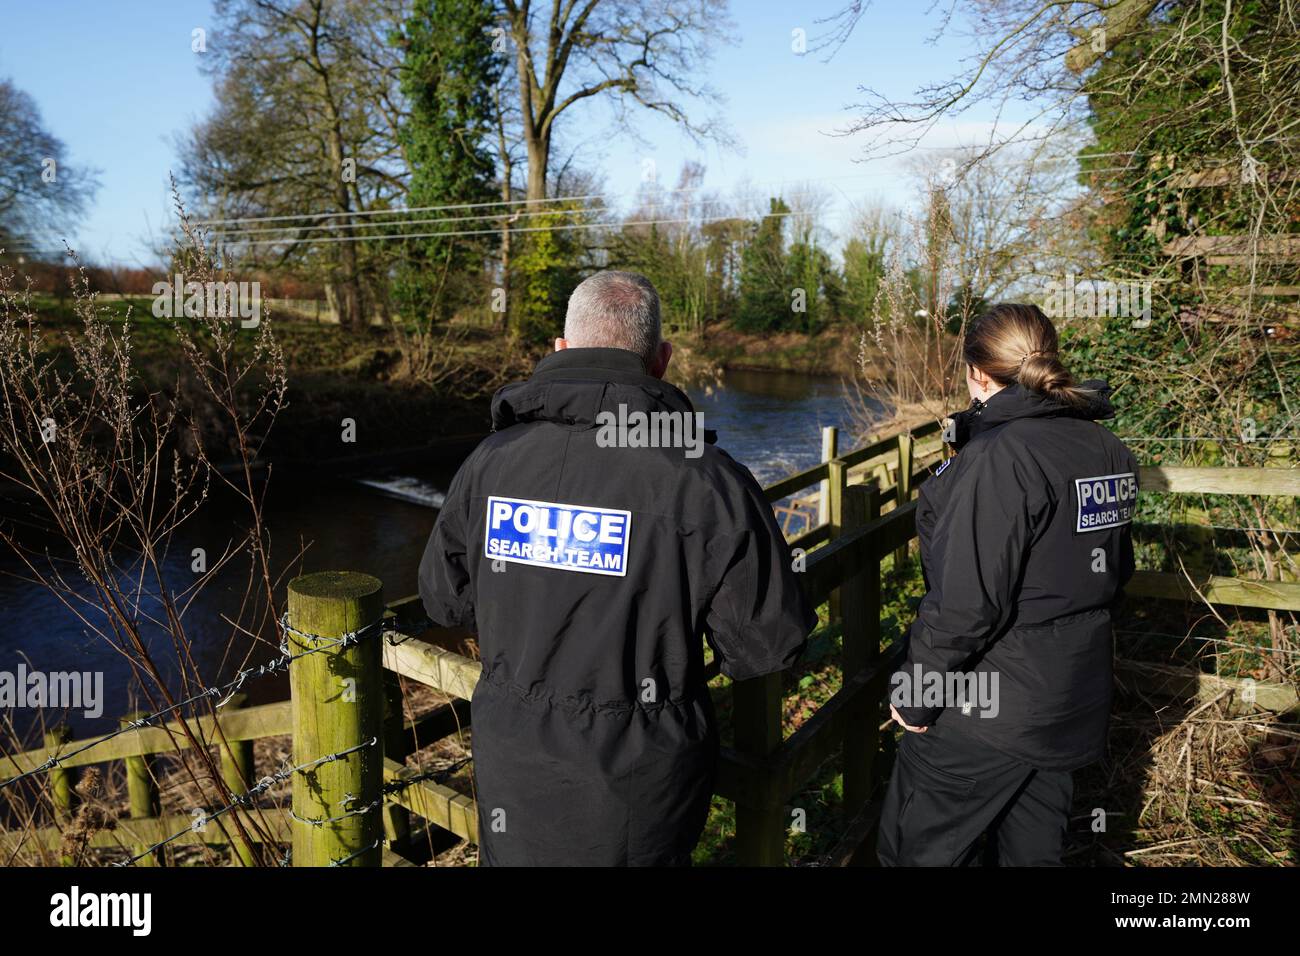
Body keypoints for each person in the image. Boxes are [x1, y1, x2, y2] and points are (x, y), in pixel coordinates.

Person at [419, 270, 815, 866]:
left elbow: (444, 599)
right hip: (642, 779)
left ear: (560, 348)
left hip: (512, 760)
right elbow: (765, 642)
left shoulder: (490, 462)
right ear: (661, 360)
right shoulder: (706, 479)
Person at [877, 303, 1137, 867]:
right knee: (1033, 850)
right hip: (1069, 696)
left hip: (990, 706)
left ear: (976, 372)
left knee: (918, 849)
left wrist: (918, 693)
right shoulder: (1105, 447)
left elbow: (967, 605)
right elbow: (1117, 574)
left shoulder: (1001, 458)